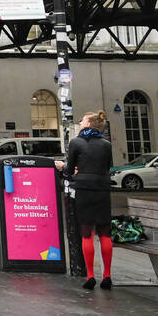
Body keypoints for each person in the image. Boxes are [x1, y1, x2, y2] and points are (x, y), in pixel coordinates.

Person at [56, 111, 115, 291]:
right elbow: (108, 166)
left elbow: (69, 168)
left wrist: (63, 168)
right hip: (103, 189)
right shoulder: (106, 144)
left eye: (82, 120)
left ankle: (90, 275)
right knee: (105, 232)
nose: (80, 123)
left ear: (89, 123)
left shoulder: (76, 142)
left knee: (86, 232)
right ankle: (107, 274)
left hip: (84, 189)